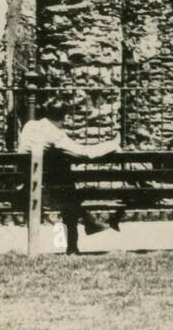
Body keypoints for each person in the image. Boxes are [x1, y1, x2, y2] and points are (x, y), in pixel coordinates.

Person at [18, 101, 122, 254]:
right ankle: (81, 234)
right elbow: (85, 153)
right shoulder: (55, 134)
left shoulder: (30, 126)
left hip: (26, 186)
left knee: (64, 182)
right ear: (65, 117)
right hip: (44, 191)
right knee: (69, 193)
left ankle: (91, 222)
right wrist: (113, 144)